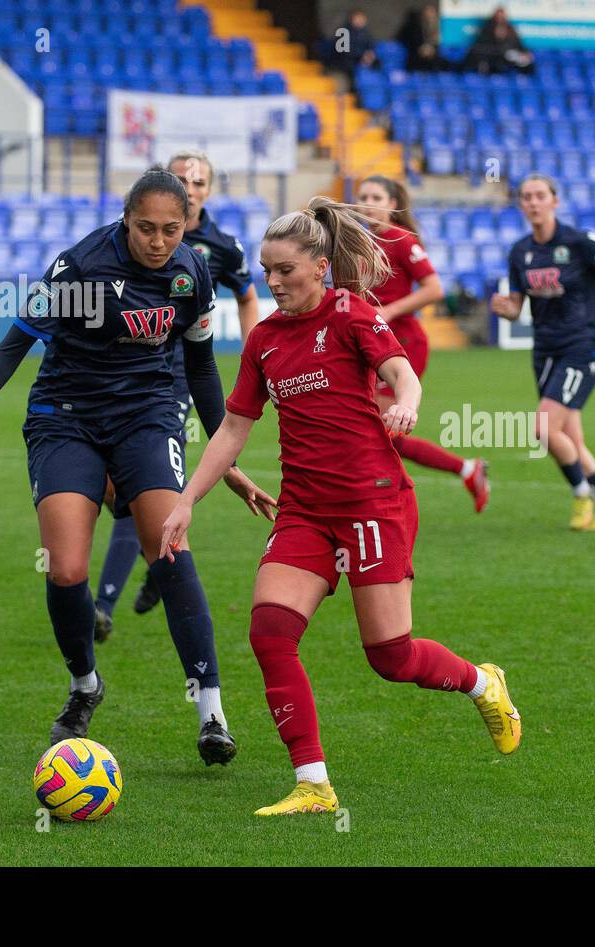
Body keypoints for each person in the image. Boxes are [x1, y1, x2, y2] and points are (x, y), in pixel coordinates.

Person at [159, 197, 521, 815]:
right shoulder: (265, 340)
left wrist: (406, 401)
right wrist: (188, 497)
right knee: (271, 631)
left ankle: (482, 682)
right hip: (303, 510)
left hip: (372, 504)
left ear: (321, 266)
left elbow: (403, 373)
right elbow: (232, 429)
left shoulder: (353, 314)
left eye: (286, 271)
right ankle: (313, 783)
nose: (273, 283)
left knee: (391, 657)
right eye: (267, 271)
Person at [0, 167, 277, 763]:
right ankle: (85, 684)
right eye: (145, 229)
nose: (159, 242)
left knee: (168, 549)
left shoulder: (193, 273)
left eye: (171, 229)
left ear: (188, 225)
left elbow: (204, 369)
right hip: (66, 416)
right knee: (65, 569)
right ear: (124, 219)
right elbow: (12, 346)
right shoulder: (77, 268)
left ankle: (211, 710)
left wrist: (223, 457)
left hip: (148, 416)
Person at [94, 149, 262, 635]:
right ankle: (156, 560)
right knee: (119, 491)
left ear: (209, 191)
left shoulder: (219, 247)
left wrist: (256, 354)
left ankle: (104, 604)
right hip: (120, 380)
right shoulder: (128, 240)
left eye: (201, 182)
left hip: (174, 383)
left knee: (139, 484)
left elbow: (247, 295)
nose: (192, 188)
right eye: (183, 180)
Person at [489, 173, 595, 530]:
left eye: (540, 195)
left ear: (556, 201)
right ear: (520, 205)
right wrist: (504, 308)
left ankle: (582, 494)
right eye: (526, 197)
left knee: (542, 427)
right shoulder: (520, 252)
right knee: (568, 439)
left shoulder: (580, 242)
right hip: (545, 351)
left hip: (581, 347)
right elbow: (517, 308)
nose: (533, 202)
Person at [355, 174, 490, 511]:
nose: (368, 203)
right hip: (372, 344)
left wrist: (387, 312)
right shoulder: (359, 242)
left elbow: (434, 288)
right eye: (363, 197)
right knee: (380, 431)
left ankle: (388, 500)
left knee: (380, 429)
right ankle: (467, 470)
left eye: (376, 197)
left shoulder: (401, 240)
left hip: (403, 344)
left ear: (392, 204)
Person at [462, 6, 533, 75]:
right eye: (498, 16)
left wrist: (525, 52)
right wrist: (497, 39)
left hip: (510, 54)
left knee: (525, 61)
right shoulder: (487, 28)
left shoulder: (510, 28)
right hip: (494, 55)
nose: (500, 18)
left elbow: (518, 43)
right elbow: (482, 45)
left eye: (502, 16)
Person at [326, 8, 376, 80]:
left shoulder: (366, 33)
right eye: (357, 18)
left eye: (362, 18)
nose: (360, 21)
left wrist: (370, 55)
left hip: (360, 65)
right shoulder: (343, 32)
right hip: (342, 68)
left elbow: (371, 47)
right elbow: (343, 53)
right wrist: (361, 57)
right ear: (351, 19)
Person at [397, 2, 446, 72]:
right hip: (417, 54)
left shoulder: (440, 27)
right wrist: (421, 49)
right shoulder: (414, 28)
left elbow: (440, 41)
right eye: (427, 13)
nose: (428, 15)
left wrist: (432, 49)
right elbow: (409, 41)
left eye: (431, 13)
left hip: (435, 54)